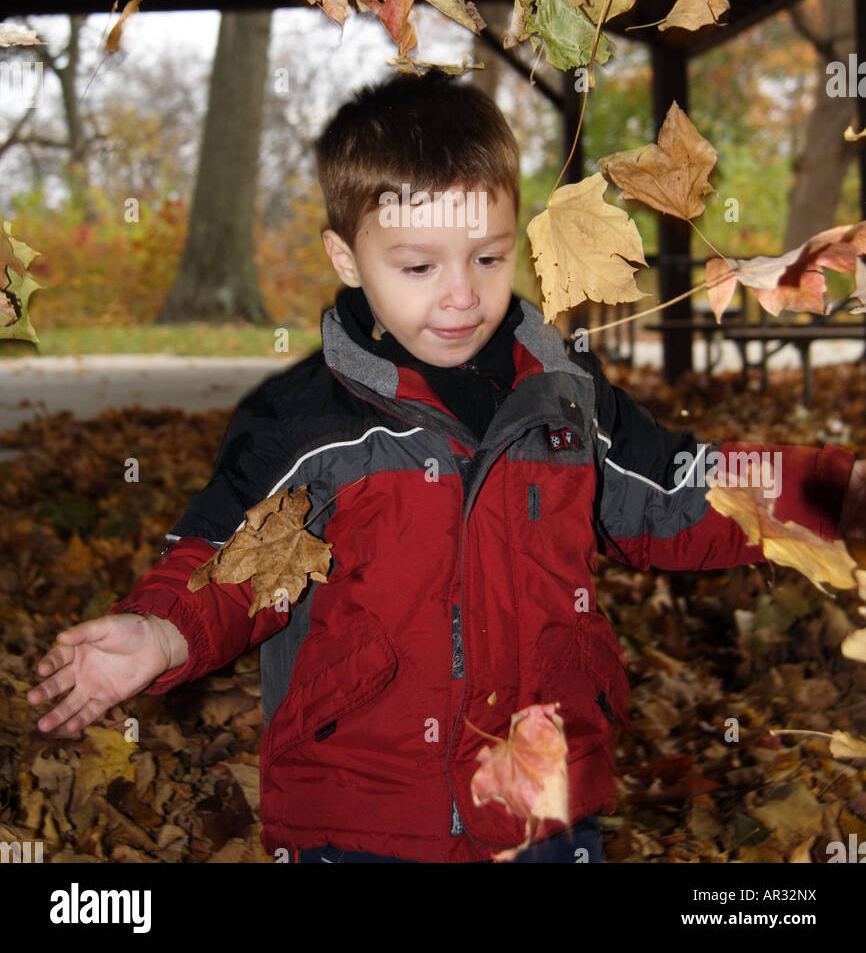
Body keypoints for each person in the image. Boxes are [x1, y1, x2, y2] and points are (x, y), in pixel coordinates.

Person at [28, 71, 866, 864]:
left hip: (543, 807)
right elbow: (226, 562)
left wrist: (834, 494)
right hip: (361, 816)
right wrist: (160, 630)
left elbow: (683, 490)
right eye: (419, 267)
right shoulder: (308, 424)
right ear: (348, 258)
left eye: (489, 258)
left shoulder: (564, 398)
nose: (461, 294)